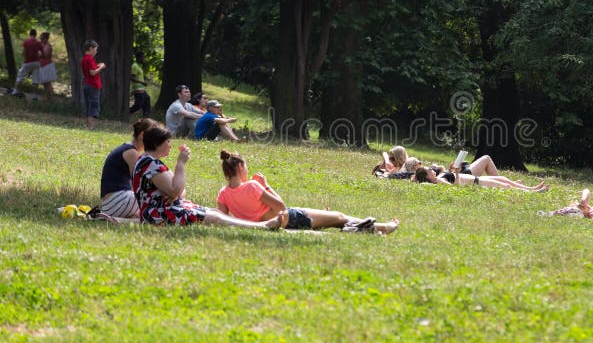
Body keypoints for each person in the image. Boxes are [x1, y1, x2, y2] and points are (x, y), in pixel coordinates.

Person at [132, 124, 280, 229]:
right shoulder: (149, 163)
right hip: (159, 215)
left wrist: (175, 194)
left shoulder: (151, 162)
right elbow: (175, 189)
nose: (170, 145)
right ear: (157, 143)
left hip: (167, 209)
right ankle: (262, 226)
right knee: (215, 218)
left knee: (215, 212)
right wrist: (180, 164)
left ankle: (255, 226)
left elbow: (181, 192)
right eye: (168, 142)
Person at [217, 150, 399, 234]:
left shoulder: (223, 194)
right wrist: (266, 184)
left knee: (330, 220)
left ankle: (358, 228)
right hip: (292, 219)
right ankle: (384, 227)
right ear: (240, 167)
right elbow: (281, 206)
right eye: (246, 166)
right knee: (339, 217)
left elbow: (225, 220)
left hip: (272, 226)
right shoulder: (252, 186)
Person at [99, 118, 159, 219]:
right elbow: (141, 183)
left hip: (111, 204)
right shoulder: (131, 153)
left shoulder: (128, 148)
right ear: (142, 135)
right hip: (118, 202)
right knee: (159, 201)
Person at [413, 164, 549, 192]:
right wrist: (458, 173)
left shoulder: (439, 177)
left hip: (477, 179)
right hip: (477, 182)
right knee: (506, 186)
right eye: (429, 170)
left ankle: (531, 188)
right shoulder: (440, 181)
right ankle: (532, 192)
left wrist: (452, 169)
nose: (432, 169)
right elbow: (457, 188)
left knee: (505, 179)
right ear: (427, 176)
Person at [81, 39, 106, 130]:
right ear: (90, 48)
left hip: (87, 84)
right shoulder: (90, 59)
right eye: (95, 49)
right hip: (93, 85)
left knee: (88, 105)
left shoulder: (84, 59)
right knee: (93, 106)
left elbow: (90, 71)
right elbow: (92, 72)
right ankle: (90, 127)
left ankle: (88, 126)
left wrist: (97, 66)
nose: (96, 52)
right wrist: (101, 67)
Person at [10, 28, 43, 98]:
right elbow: (42, 54)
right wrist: (38, 56)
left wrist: (25, 57)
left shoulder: (26, 41)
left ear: (30, 34)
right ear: (35, 34)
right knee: (35, 80)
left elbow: (23, 52)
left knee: (20, 76)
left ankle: (15, 91)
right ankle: (35, 96)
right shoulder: (39, 43)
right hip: (37, 63)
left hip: (28, 62)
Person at [129, 51, 151, 118]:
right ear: (139, 58)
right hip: (137, 89)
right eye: (143, 58)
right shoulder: (135, 66)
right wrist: (142, 83)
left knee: (147, 100)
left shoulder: (139, 66)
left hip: (142, 89)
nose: (144, 59)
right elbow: (132, 78)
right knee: (138, 105)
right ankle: (126, 113)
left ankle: (145, 118)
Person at [36, 32, 57, 101]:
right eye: (40, 38)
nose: (41, 40)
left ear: (46, 39)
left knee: (48, 83)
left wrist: (37, 53)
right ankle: (47, 98)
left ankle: (51, 99)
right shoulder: (42, 45)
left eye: (42, 38)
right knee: (44, 83)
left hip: (47, 66)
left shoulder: (48, 46)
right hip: (42, 65)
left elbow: (45, 55)